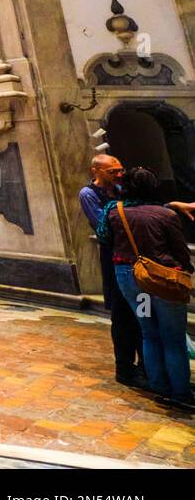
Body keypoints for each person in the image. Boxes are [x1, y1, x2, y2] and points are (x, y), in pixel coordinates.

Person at [97, 167, 193, 411]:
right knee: (173, 339)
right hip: (162, 279)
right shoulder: (165, 215)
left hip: (129, 277)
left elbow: (104, 239)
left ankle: (159, 386)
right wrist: (186, 271)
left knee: (149, 333)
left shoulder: (114, 211)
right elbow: (180, 250)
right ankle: (180, 393)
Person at [78, 154, 144, 388]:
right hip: (115, 258)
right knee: (123, 313)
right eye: (112, 171)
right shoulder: (89, 194)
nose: (118, 175)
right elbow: (103, 227)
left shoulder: (121, 189)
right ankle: (125, 368)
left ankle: (145, 365)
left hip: (133, 257)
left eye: (120, 170)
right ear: (95, 170)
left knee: (141, 313)